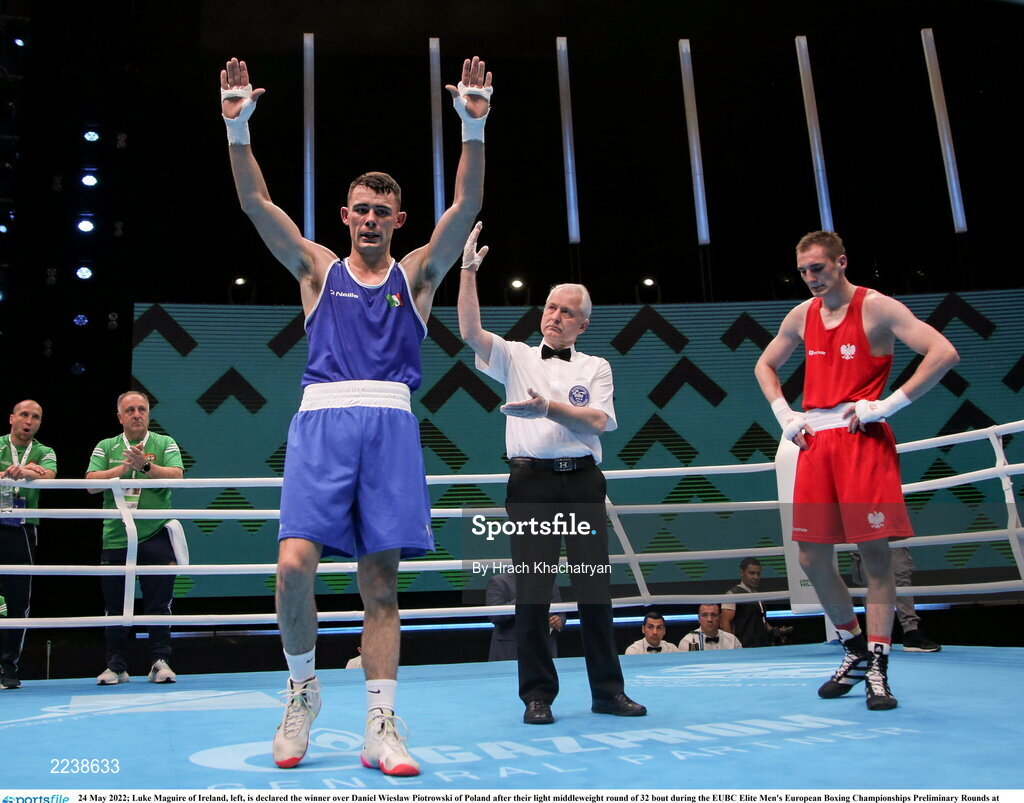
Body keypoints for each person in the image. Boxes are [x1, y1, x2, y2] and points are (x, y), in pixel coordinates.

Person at [221, 55, 491, 773]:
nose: (371, 220)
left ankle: (380, 721)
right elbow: (255, 203)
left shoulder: (417, 275)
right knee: (292, 566)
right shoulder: (317, 269)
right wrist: (239, 124)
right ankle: (303, 689)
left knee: (380, 583)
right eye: (360, 210)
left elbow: (464, 211)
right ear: (345, 216)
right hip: (323, 425)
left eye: (383, 211)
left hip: (391, 427)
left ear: (398, 219)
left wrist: (473, 122)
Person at [754, 230, 959, 710]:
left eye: (818, 268)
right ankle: (854, 651)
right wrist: (785, 413)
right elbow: (765, 366)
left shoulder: (877, 307)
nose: (810, 279)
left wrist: (887, 405)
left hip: (861, 440)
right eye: (803, 271)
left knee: (875, 560)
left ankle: (881, 667)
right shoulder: (801, 315)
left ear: (841, 262)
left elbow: (944, 352)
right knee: (811, 559)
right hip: (815, 444)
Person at [458, 223, 645, 725]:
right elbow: (470, 333)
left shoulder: (597, 367)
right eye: (551, 307)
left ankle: (608, 691)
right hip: (531, 484)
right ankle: (537, 696)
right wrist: (469, 272)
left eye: (567, 312)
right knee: (535, 593)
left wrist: (547, 409)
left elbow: (597, 422)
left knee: (594, 591)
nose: (555, 317)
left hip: (582, 481)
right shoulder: (516, 355)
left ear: (583, 324)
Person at [86, 391, 185, 686]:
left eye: (141, 408)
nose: (136, 414)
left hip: (156, 534)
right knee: (114, 605)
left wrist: (145, 466)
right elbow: (90, 484)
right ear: (120, 417)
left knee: (159, 603)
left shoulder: (164, 443)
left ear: (149, 414)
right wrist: (124, 468)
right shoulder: (106, 446)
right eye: (130, 410)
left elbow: (177, 476)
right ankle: (116, 666)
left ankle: (160, 661)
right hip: (116, 536)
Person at [0, 400, 57, 689]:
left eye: (36, 417)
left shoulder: (44, 451)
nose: (29, 420)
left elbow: (50, 475)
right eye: (24, 414)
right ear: (11, 418)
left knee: (18, 600)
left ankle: (8, 666)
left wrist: (28, 472)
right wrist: (4, 475)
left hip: (21, 528)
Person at [850, 546, 941, 652]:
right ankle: (878, 636)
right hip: (862, 536)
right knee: (870, 579)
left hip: (891, 533)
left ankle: (911, 632)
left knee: (900, 576)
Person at [486, 572, 564, 662]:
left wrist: (558, 621)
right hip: (511, 650)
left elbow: (560, 614)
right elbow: (495, 616)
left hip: (544, 648)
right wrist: (524, 597)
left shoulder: (549, 581)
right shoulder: (498, 581)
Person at [720, 557, 791, 647]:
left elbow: (761, 621)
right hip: (744, 648)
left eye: (758, 574)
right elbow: (724, 623)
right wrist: (732, 647)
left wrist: (774, 630)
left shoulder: (758, 596)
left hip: (763, 646)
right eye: (752, 573)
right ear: (742, 573)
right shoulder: (732, 594)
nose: (756, 577)